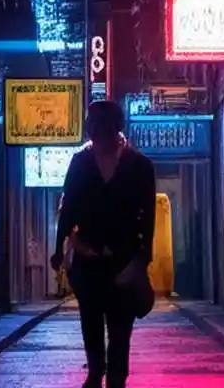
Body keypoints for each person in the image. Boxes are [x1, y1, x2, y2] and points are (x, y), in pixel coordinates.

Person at [51, 100, 156, 388]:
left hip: (123, 261)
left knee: (121, 329)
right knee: (91, 321)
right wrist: (58, 248)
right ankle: (95, 372)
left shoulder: (139, 166)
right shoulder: (81, 163)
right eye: (95, 130)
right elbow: (68, 206)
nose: (99, 138)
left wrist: (142, 259)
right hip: (89, 259)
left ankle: (116, 379)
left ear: (115, 130)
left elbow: (148, 216)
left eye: (104, 130)